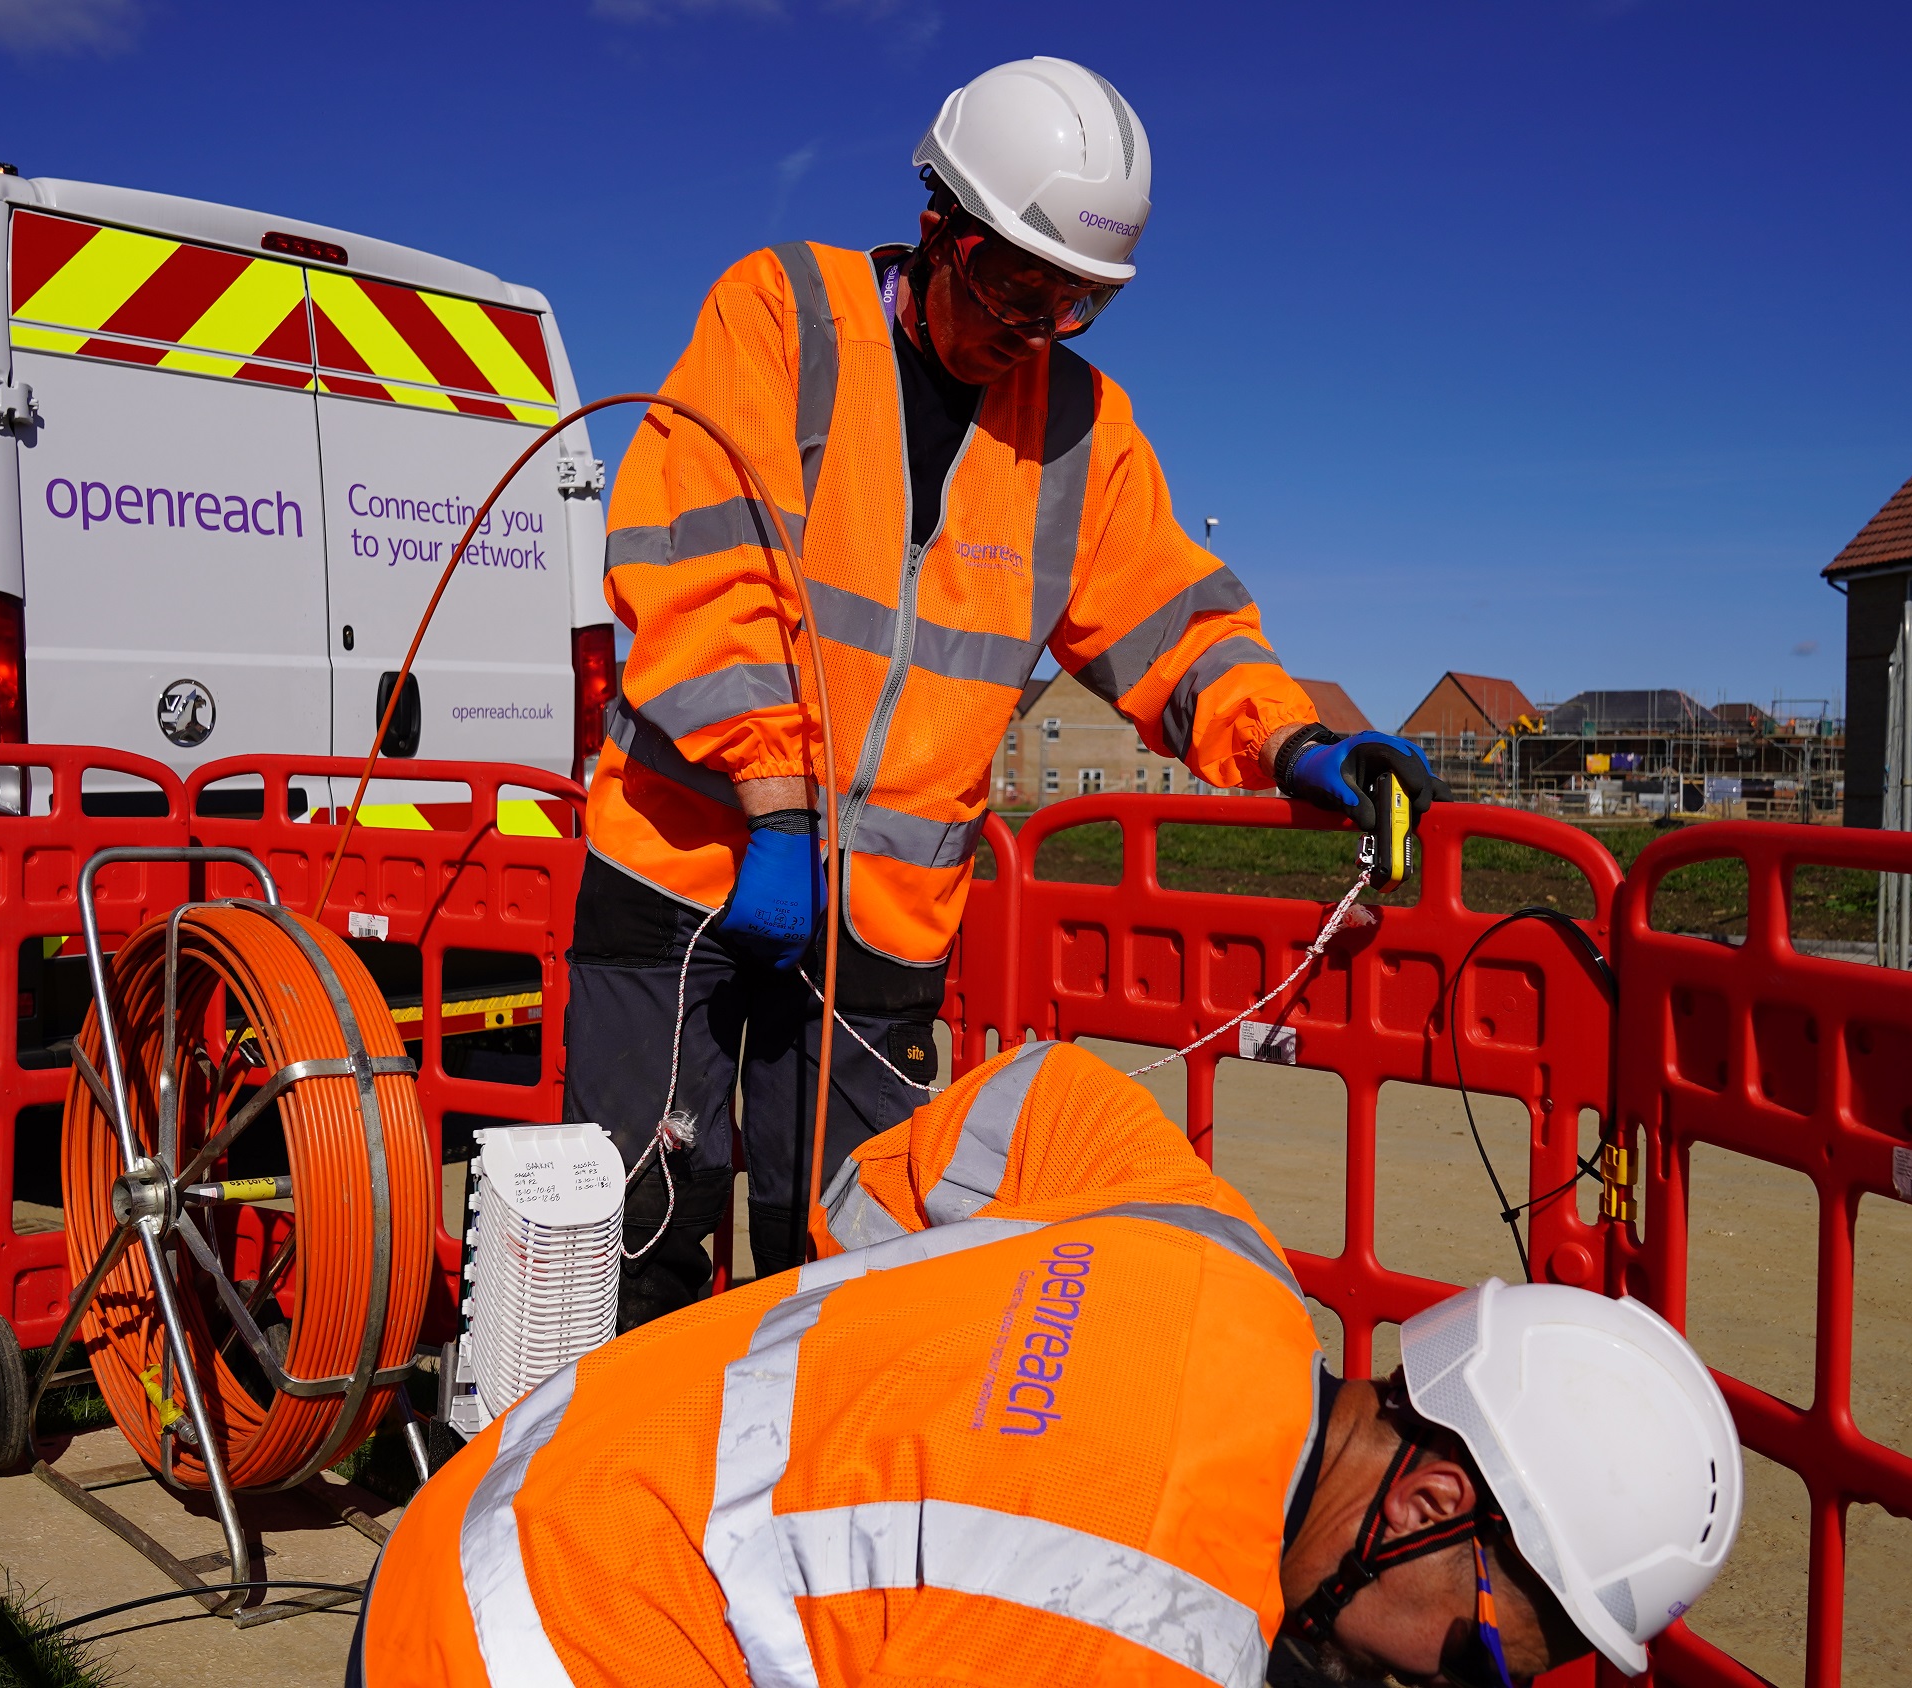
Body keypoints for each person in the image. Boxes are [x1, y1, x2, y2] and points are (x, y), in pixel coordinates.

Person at [571, 56, 1445, 1323]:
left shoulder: (1082, 428)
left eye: (1071, 304)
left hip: (884, 921)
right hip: (688, 868)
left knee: (848, 1246)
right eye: (1010, 286)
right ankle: (590, 1492)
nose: (1029, 331)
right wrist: (769, 802)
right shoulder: (785, 318)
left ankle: (797, 1504)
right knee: (648, 1214)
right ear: (939, 226)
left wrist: (1301, 741)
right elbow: (701, 566)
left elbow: (1170, 623)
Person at [352, 1041, 1743, 1688]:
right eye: (1478, 1663)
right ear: (1430, 1510)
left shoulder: (1225, 1267)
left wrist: (873, 1281)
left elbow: (1048, 1092)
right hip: (509, 1653)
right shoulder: (1145, 1629)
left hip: (507, 1493)